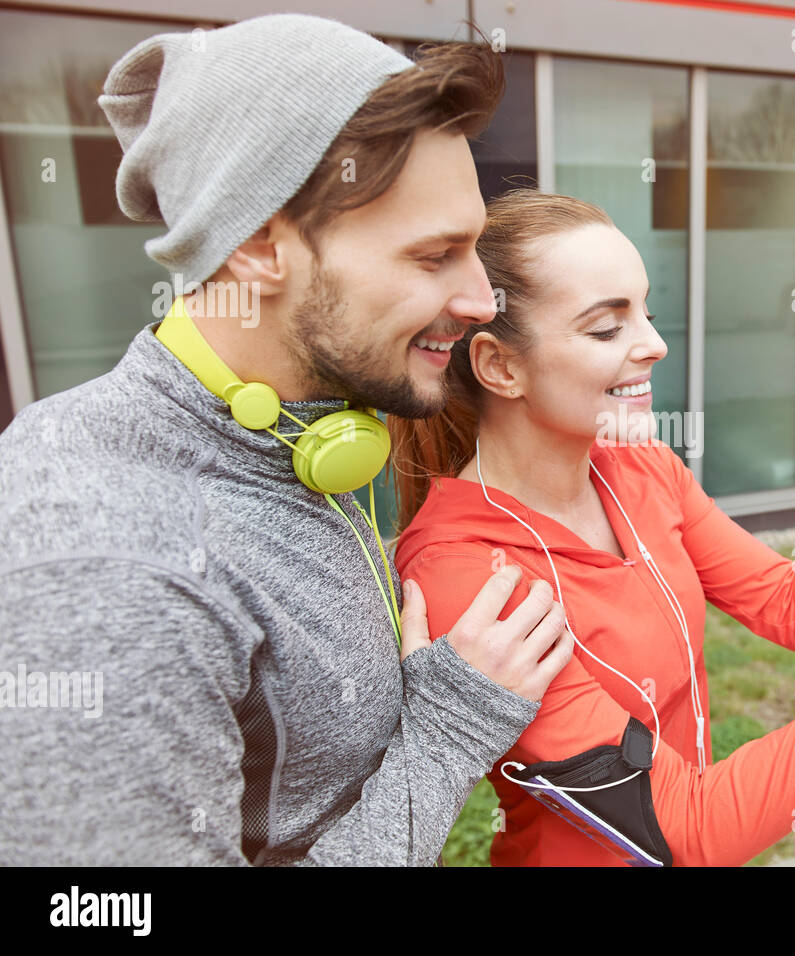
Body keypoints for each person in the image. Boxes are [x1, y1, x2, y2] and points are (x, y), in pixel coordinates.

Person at [0, 16, 571, 866]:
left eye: (475, 249)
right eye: (433, 256)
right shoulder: (113, 574)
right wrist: (447, 730)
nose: (483, 299)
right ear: (261, 246)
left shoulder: (297, 424)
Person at [389, 188, 795, 866]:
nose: (655, 345)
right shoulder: (463, 572)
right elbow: (687, 828)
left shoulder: (642, 467)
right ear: (501, 366)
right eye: (606, 327)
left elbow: (793, 604)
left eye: (648, 311)